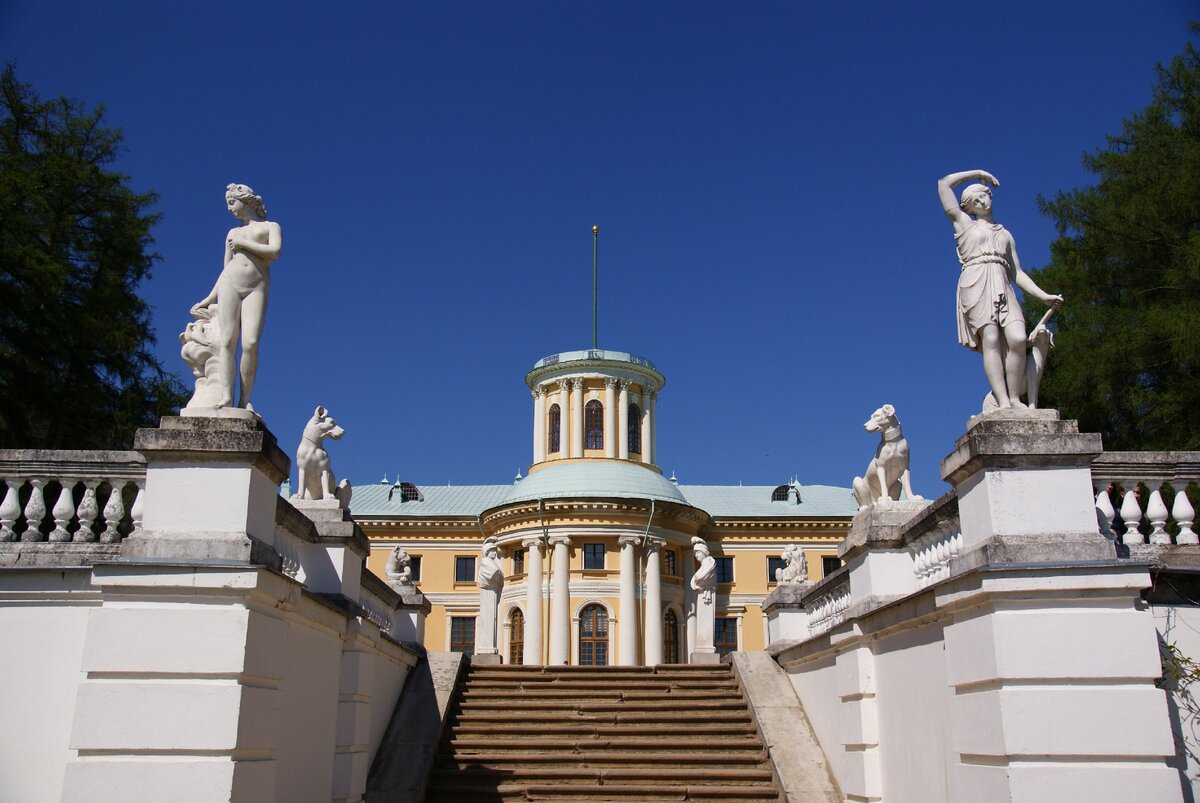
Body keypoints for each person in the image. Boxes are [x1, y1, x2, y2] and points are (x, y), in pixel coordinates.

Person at [937, 170, 1062, 409]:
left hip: (1003, 283)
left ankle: (1014, 398)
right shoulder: (964, 225)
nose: (982, 201)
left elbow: (1018, 273)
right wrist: (978, 173)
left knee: (1018, 339)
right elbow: (943, 185)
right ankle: (1003, 401)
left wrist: (1043, 296)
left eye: (983, 195)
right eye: (975, 201)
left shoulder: (1005, 234)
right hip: (976, 281)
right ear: (969, 208)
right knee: (991, 340)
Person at [191, 184, 282, 412]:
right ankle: (225, 397)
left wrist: (244, 245)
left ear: (246, 201)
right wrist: (210, 297)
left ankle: (245, 400)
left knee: (250, 343)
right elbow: (225, 269)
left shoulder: (270, 226)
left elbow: (275, 252)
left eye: (232, 202)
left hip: (256, 286)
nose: (230, 208)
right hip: (230, 285)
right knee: (227, 341)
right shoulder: (232, 233)